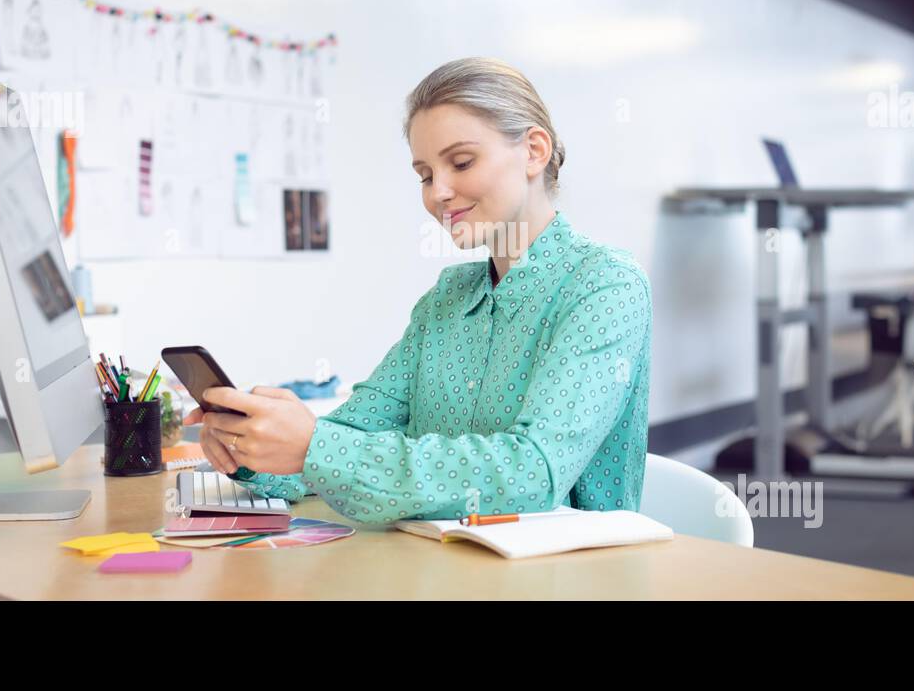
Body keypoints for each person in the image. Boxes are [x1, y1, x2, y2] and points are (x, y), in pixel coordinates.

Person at [185, 57, 653, 525]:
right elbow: (341, 442)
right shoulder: (447, 300)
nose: (438, 193)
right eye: (425, 175)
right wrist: (250, 444)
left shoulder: (605, 285)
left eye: (461, 162)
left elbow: (534, 473)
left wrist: (314, 447)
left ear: (534, 151)